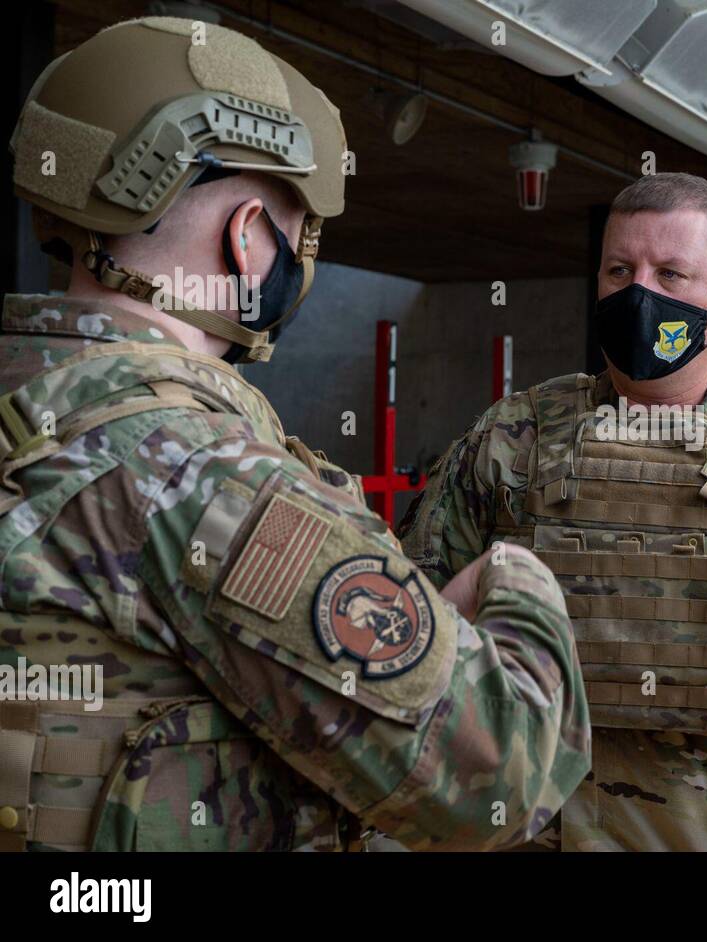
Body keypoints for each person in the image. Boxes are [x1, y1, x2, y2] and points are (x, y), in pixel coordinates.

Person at [0, 17, 587, 852]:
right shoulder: (193, 471)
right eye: (298, 234)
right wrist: (518, 580)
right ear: (247, 239)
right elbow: (502, 772)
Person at [399, 172, 707, 851]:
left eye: (672, 275)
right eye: (620, 270)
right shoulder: (513, 442)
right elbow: (406, 636)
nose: (639, 296)